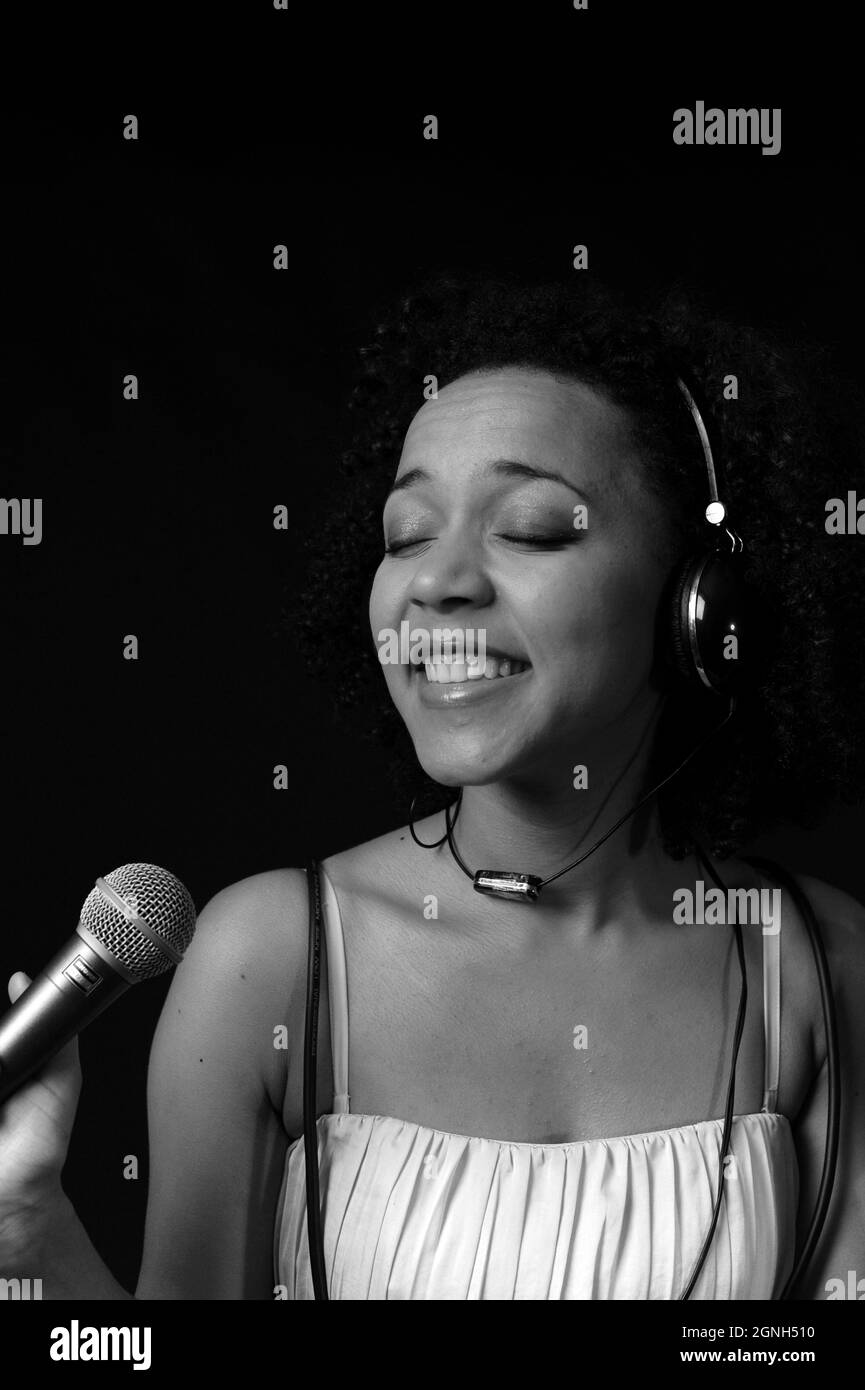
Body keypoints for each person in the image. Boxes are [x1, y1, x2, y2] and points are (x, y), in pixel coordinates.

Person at [2, 274, 864, 1300]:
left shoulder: (819, 970)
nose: (434, 581)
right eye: (406, 534)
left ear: (696, 597)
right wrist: (28, 1233)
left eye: (534, 528)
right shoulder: (270, 959)